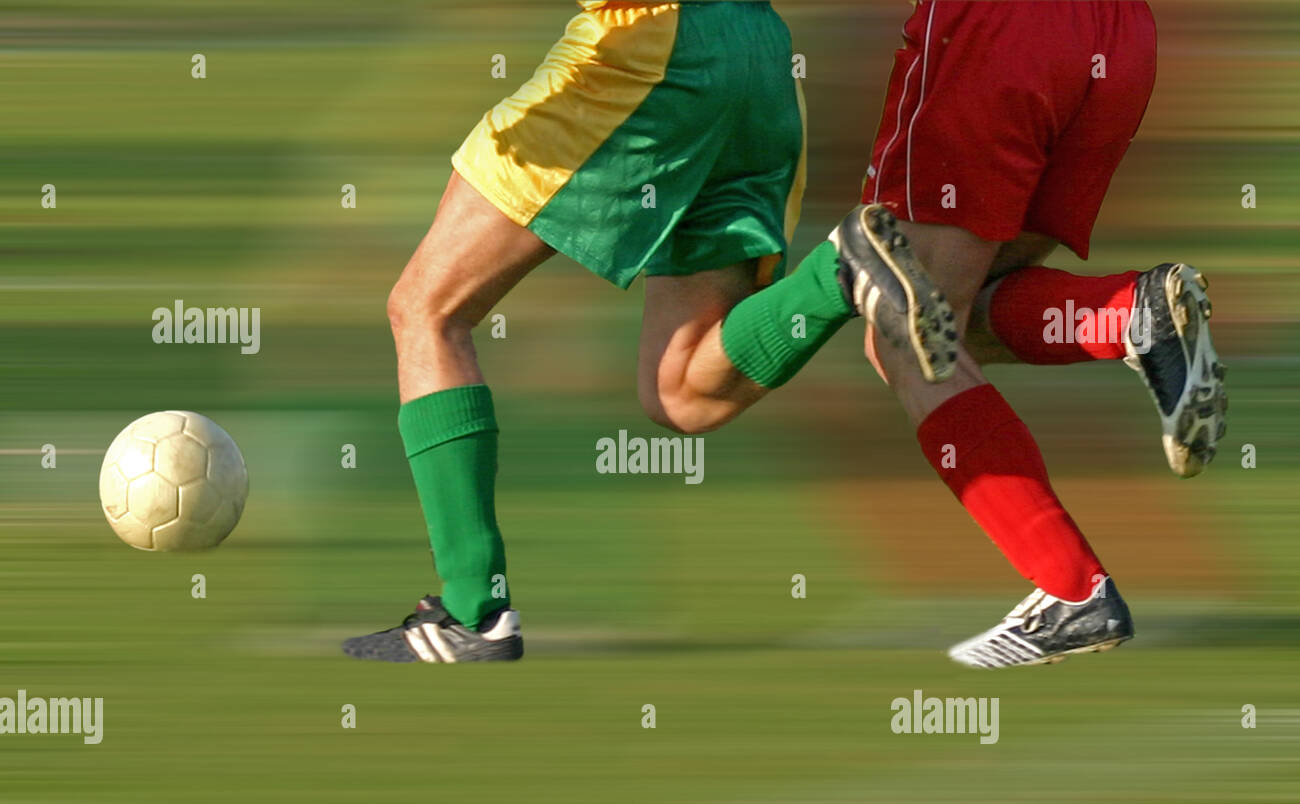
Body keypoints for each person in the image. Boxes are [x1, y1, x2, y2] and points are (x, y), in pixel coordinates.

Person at [342, 1, 957, 664]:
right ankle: (839, 273)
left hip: (648, 45)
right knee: (684, 391)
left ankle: (473, 611)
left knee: (428, 309)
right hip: (756, 54)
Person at [848, 0, 1227, 667]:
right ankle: (1129, 315)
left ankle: (1071, 590)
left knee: (903, 324)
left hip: (998, 32)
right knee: (949, 314)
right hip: (1117, 35)